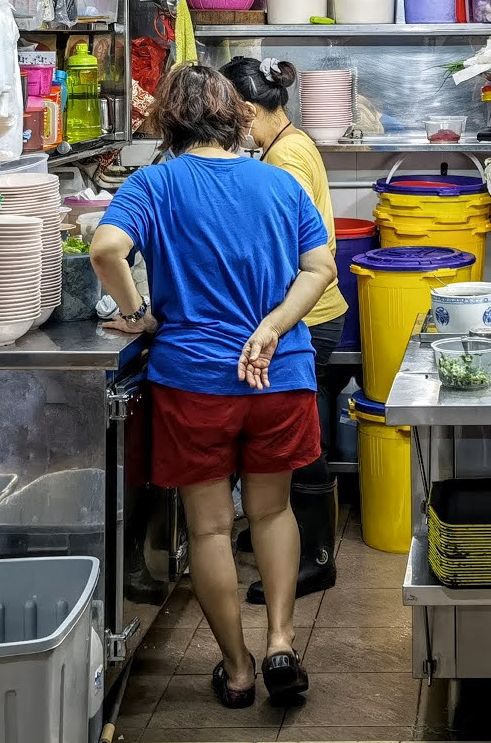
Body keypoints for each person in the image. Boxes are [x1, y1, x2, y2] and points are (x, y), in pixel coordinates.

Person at [91, 65, 336, 711]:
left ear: (170, 119)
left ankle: (236, 669)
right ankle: (282, 639)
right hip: (279, 373)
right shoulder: (280, 183)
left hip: (195, 379)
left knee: (208, 530)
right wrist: (275, 325)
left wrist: (139, 308)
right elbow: (320, 266)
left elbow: (105, 247)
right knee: (274, 511)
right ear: (237, 115)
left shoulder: (155, 182)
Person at [221, 56, 349, 603]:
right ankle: (287, 531)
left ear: (247, 110)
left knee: (305, 442)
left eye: (228, 112)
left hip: (308, 317)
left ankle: (315, 558)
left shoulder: (288, 158)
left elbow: (284, 243)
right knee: (299, 434)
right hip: (312, 311)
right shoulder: (287, 145)